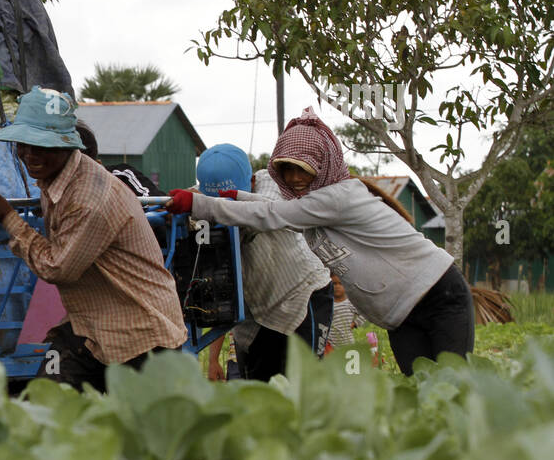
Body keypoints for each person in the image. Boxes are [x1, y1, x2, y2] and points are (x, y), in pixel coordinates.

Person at [166, 108, 472, 374]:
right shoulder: (314, 201)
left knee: (453, 385)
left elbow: (275, 215)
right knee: (423, 387)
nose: (295, 178)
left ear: (323, 164)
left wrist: (199, 205)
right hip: (401, 316)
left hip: (438, 295)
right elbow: (275, 208)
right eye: (287, 170)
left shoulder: (336, 196)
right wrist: (237, 197)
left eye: (304, 169)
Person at [0, 87, 186, 392]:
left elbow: (58, 268)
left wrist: (9, 218)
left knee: (139, 434)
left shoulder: (91, 198)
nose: (30, 154)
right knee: (45, 406)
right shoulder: (57, 178)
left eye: (42, 144)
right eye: (24, 143)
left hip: (140, 336)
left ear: (67, 145)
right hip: (91, 328)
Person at [197, 145, 334, 383]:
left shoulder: (270, 184)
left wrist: (231, 202)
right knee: (260, 395)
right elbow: (220, 289)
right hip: (255, 319)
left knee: (304, 386)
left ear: (250, 180)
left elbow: (268, 211)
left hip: (301, 296)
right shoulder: (203, 208)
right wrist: (212, 359)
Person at [327, 273, 365, 349]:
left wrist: (355, 323)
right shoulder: (328, 304)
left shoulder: (350, 303)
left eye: (340, 284)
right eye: (334, 284)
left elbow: (364, 313)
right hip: (330, 343)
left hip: (347, 341)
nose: (337, 287)